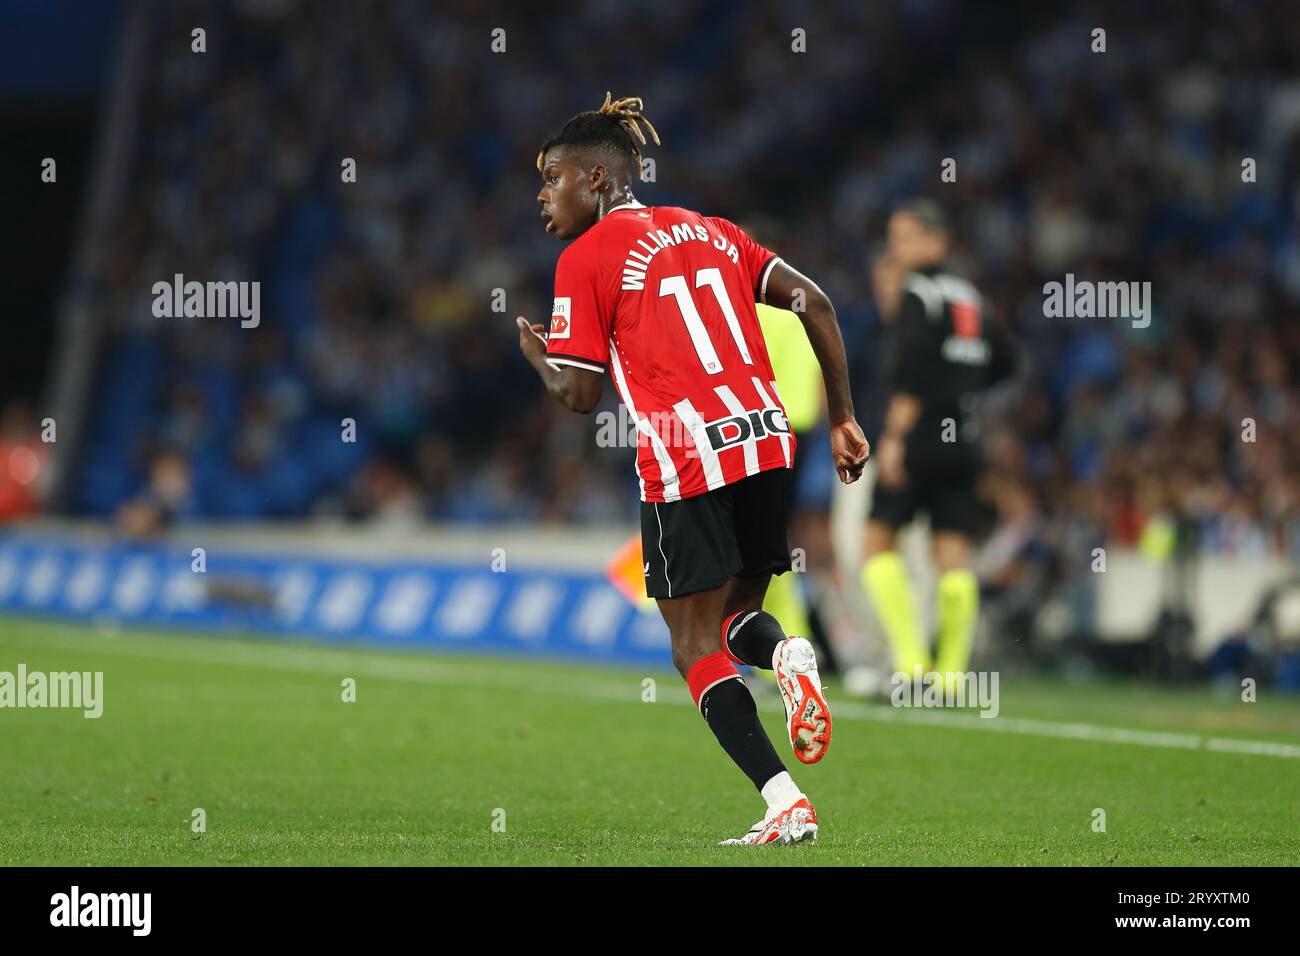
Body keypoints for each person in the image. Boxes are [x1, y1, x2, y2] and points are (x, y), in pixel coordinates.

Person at [516, 93, 869, 845]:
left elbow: (579, 396)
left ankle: (786, 802)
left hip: (685, 453)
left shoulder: (584, 258)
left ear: (599, 179)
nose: (543, 195)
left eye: (553, 178)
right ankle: (785, 652)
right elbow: (816, 303)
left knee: (692, 645)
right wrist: (842, 417)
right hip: (768, 438)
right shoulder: (713, 230)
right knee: (737, 619)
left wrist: (539, 359)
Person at [860, 200, 1016, 692]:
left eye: (905, 237)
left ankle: (910, 662)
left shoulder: (917, 292)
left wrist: (893, 438)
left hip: (921, 437)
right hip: (965, 437)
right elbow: (1006, 360)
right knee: (953, 551)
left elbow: (911, 370)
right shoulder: (969, 296)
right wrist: (962, 390)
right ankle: (951, 676)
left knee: (875, 544)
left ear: (936, 242)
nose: (896, 247)